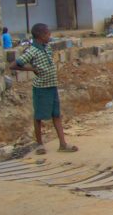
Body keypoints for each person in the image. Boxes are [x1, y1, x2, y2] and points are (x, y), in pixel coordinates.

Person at [10, 23, 78, 153]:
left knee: (56, 115)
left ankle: (63, 144)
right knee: (39, 117)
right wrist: (31, 69)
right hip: (41, 89)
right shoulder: (32, 51)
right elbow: (14, 65)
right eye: (47, 34)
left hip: (52, 87)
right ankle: (39, 144)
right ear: (40, 36)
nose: (49, 36)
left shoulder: (47, 48)